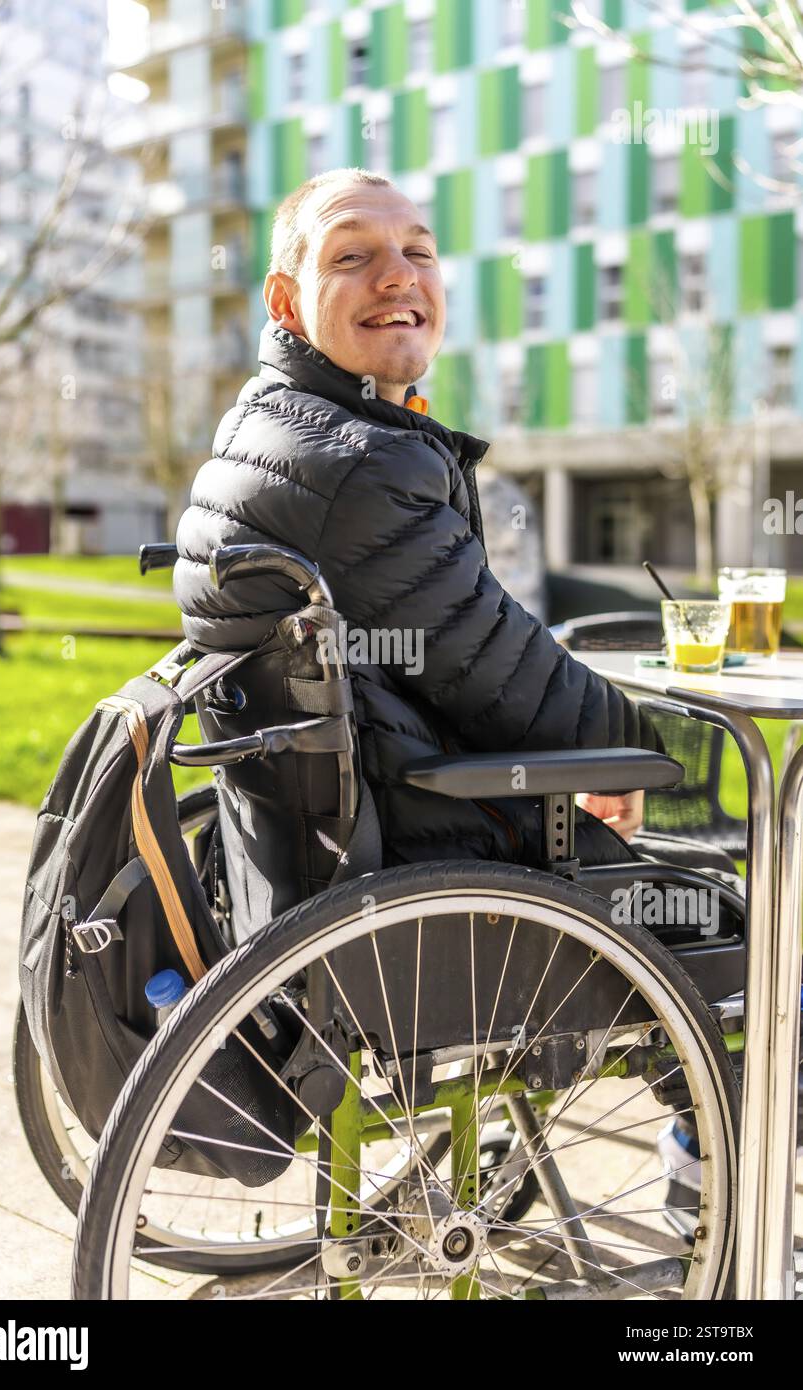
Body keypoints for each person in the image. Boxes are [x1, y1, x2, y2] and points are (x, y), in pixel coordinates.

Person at [174, 167, 659, 922]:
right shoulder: (356, 462)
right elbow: (505, 676)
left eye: (419, 254)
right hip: (432, 871)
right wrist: (642, 748)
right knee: (728, 913)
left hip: (322, 857)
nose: (399, 276)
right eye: (350, 257)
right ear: (285, 302)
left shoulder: (264, 426)